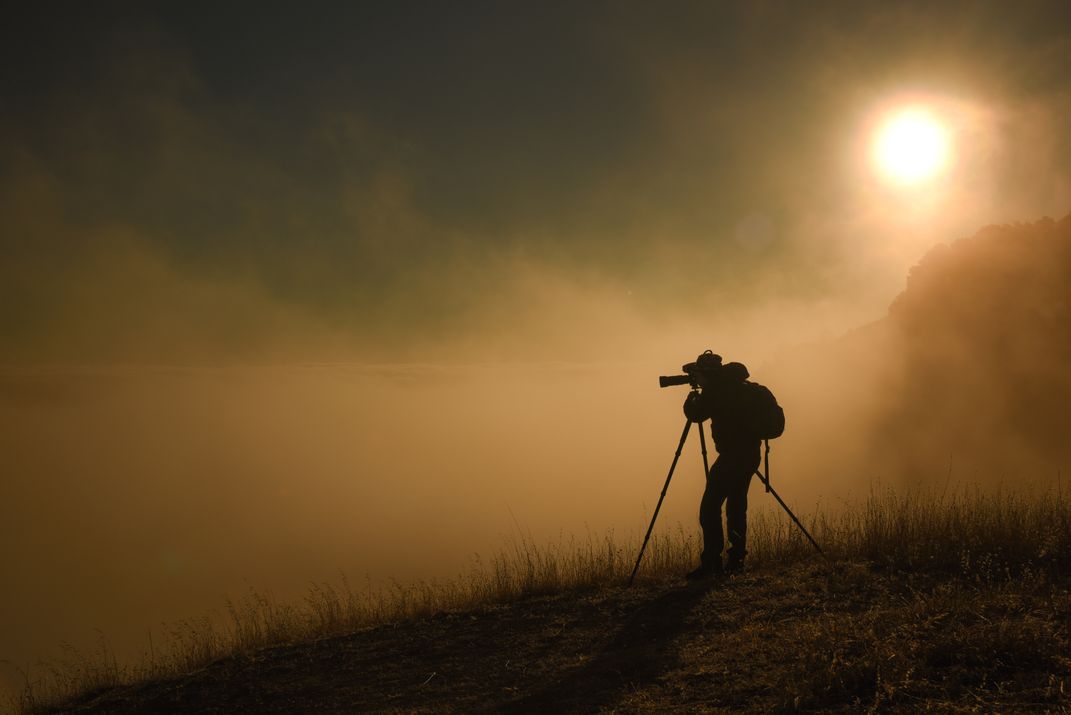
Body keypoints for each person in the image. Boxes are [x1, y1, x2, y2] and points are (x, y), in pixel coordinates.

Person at [682, 354, 763, 579]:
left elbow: (696, 415)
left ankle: (711, 564)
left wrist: (692, 398)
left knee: (709, 509)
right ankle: (736, 560)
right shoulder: (740, 387)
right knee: (737, 506)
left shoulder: (716, 391)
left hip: (730, 457)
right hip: (750, 455)